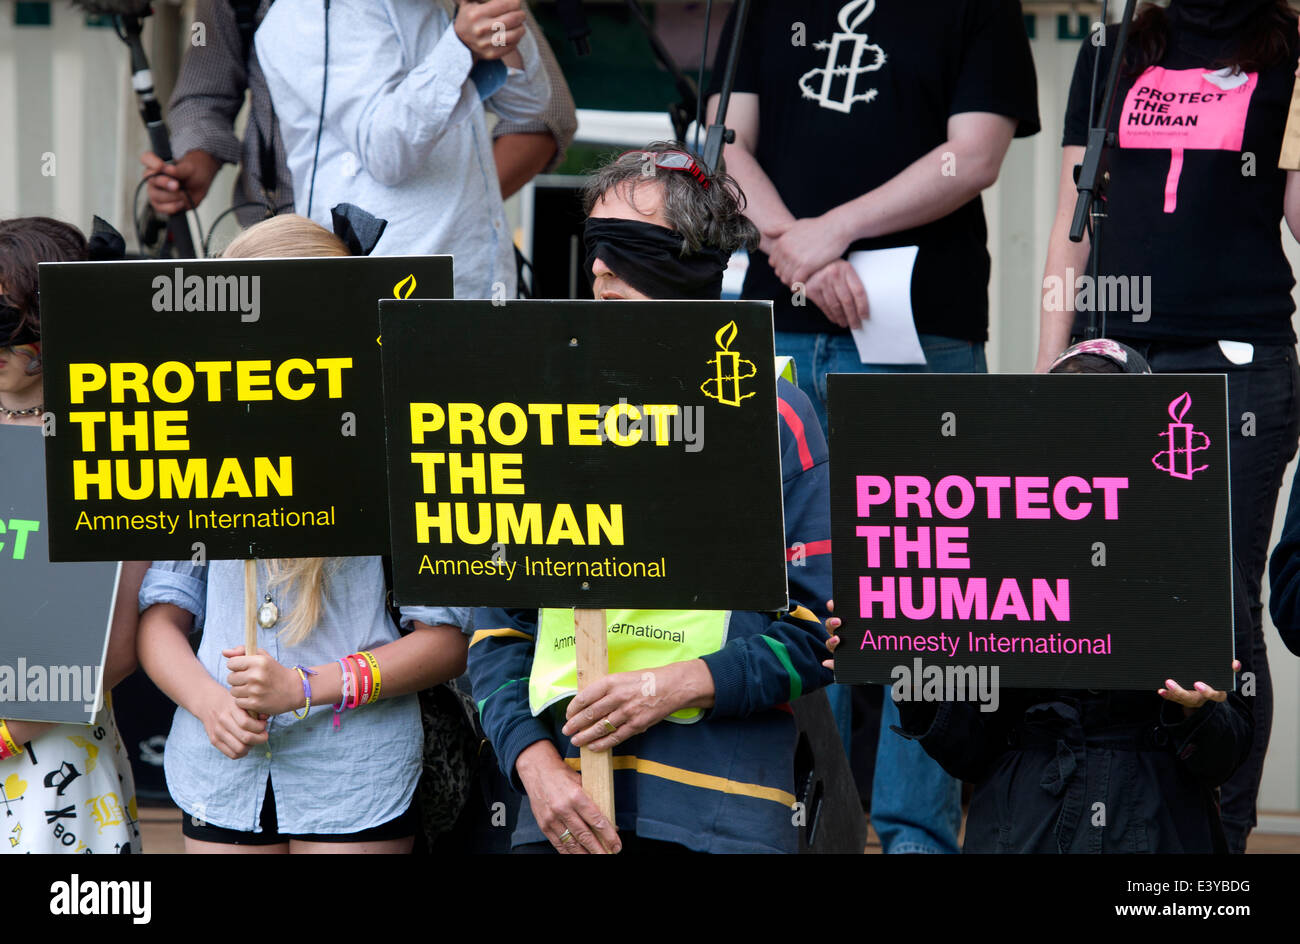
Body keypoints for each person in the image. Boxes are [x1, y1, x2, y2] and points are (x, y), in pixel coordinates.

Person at [707, 0, 1040, 855]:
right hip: (775, 325)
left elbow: (975, 156)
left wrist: (833, 233)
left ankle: (914, 837)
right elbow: (723, 144)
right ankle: (787, 823)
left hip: (916, 332)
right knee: (775, 587)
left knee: (924, 589)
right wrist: (796, 248)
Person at [466, 144, 835, 853]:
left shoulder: (775, 418)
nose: (601, 266)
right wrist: (532, 765)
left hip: (724, 817)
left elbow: (818, 635)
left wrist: (672, 685)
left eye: (630, 247)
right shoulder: (540, 416)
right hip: (563, 811)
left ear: (694, 261)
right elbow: (495, 627)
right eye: (596, 247)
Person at [1036, 0, 1300, 854]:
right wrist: (1050, 371)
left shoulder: (1288, 48)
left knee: (1222, 601)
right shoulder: (1118, 44)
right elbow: (1070, 229)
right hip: (1114, 354)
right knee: (1103, 582)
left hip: (1237, 360)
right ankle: (1119, 819)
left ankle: (1220, 833)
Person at [826, 338, 1256, 853]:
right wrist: (914, 670)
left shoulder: (1195, 550)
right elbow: (967, 751)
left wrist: (1198, 713)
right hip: (1022, 820)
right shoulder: (985, 547)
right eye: (1065, 421)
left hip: (1153, 820)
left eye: (1105, 423)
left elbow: (1230, 752)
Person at [135, 214, 471, 852]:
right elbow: (162, 614)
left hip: (356, 775)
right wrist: (209, 704)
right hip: (219, 771)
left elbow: (445, 641)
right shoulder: (199, 439)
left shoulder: (395, 447)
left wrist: (306, 688)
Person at [143, 0, 575, 229]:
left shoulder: (463, 5)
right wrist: (194, 161)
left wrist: (453, 212)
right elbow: (205, 93)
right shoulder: (283, 18)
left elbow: (543, 114)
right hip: (281, 235)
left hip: (437, 263)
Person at [0, 216, 147, 854]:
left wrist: (8, 729)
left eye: (8, 323)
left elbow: (121, 635)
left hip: (54, 761)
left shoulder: (109, 440)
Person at [254, 0, 552, 297]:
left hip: (477, 279)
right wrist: (459, 46)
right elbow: (386, 153)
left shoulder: (437, 5)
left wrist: (495, 12)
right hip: (388, 287)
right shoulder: (302, 14)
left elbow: (529, 104)